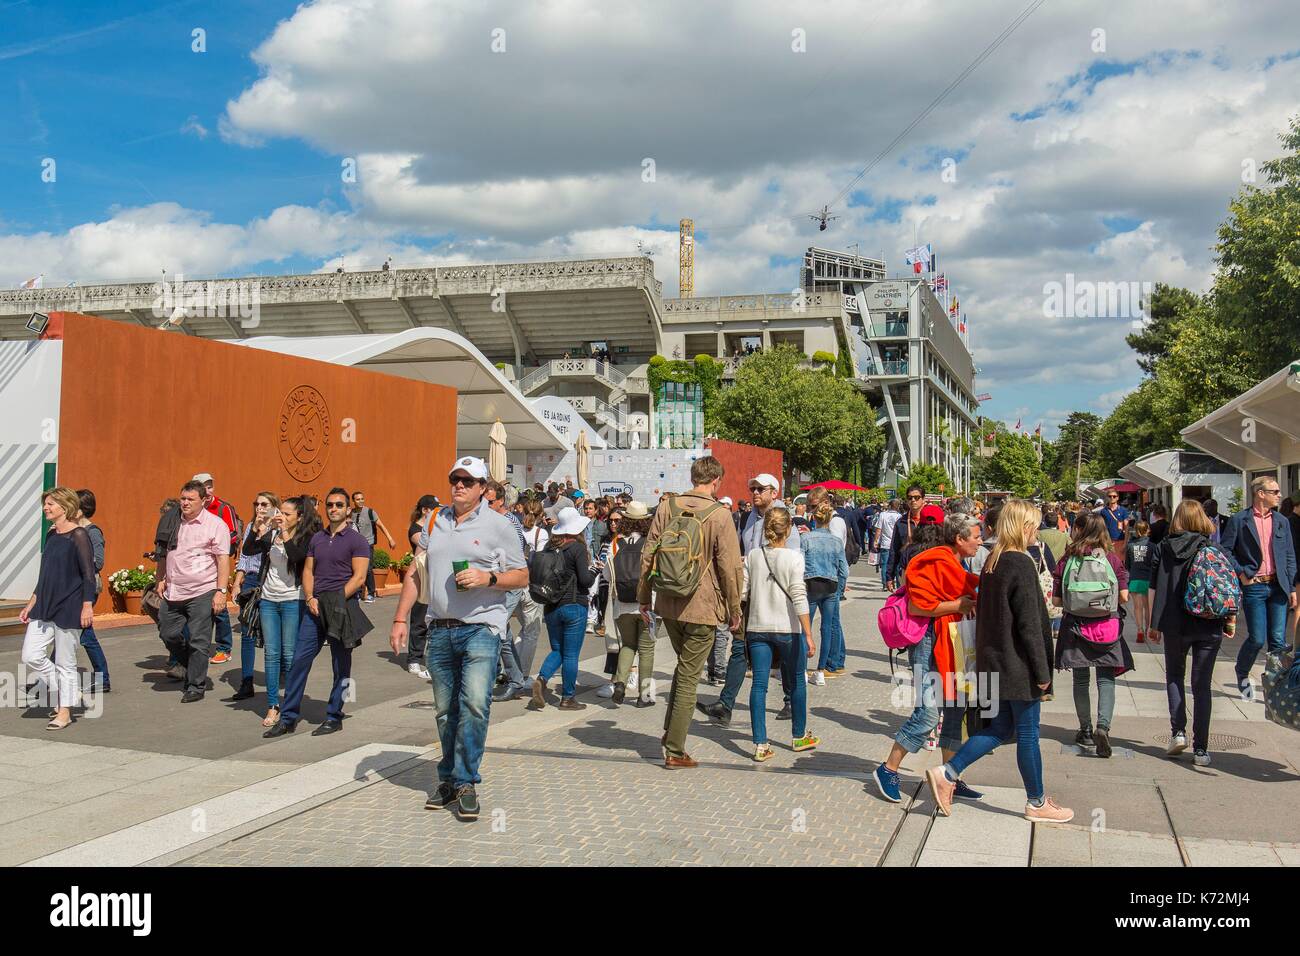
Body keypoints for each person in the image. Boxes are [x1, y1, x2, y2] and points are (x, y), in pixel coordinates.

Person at [390, 456, 528, 820]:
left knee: (474, 705)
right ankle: (449, 779)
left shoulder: (500, 525)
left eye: (468, 480)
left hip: (482, 628)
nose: (460, 485)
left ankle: (465, 780)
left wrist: (489, 580)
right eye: (455, 479)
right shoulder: (435, 520)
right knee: (445, 711)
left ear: (483, 487)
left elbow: (522, 574)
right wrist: (401, 617)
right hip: (440, 629)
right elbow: (416, 573)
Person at [925, 501, 1072, 822]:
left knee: (1002, 727)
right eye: (1032, 525)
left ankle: (947, 773)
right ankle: (1036, 801)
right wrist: (1042, 671)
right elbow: (1030, 624)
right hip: (1019, 663)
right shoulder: (1019, 562)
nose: (1036, 531)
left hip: (997, 660)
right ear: (1023, 527)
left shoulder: (993, 560)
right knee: (1028, 733)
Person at [638, 456, 743, 768]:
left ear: (693, 476)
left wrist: (644, 598)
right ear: (716, 482)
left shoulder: (667, 507)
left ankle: (671, 731)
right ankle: (674, 749)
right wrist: (734, 608)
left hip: (668, 602)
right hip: (703, 605)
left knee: (683, 668)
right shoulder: (721, 515)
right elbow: (730, 568)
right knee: (688, 675)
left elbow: (649, 554)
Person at [872, 512, 981, 804]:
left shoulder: (957, 562)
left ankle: (950, 777)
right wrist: (960, 604)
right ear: (959, 539)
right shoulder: (934, 560)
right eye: (976, 536)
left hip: (952, 639)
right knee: (929, 712)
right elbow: (920, 606)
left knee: (956, 710)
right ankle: (888, 769)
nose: (980, 541)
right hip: (928, 641)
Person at [264, 487, 371, 739]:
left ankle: (335, 715)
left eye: (339, 505)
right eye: (330, 505)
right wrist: (311, 597)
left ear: (347, 509)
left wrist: (333, 600)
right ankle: (288, 717)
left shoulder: (357, 541)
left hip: (342, 608)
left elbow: (359, 578)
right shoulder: (317, 538)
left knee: (341, 665)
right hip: (314, 608)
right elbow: (308, 571)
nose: (334, 509)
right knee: (299, 661)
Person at [699, 472, 799, 728]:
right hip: (749, 593)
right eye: (752, 488)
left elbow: (793, 560)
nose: (754, 493)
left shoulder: (784, 519)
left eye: (760, 489)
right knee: (739, 647)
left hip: (775, 596)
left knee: (783, 649)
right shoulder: (748, 517)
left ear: (774, 493)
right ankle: (725, 704)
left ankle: (790, 699)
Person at [1147, 499, 1236, 766]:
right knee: (1202, 686)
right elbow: (1226, 584)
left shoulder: (1164, 548)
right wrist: (1229, 619)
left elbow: (1157, 588)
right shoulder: (1213, 548)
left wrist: (1154, 624)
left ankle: (1178, 732)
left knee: (1174, 675)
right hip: (1208, 622)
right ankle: (1201, 749)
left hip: (1175, 624)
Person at [1053, 514, 1133, 758]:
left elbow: (1057, 600)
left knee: (1080, 680)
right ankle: (1103, 726)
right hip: (1106, 626)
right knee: (1106, 680)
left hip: (1075, 627)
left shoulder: (1067, 559)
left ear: (1078, 530)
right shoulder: (1111, 559)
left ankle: (1085, 729)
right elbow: (1124, 597)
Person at [743, 507, 819, 761]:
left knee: (759, 685)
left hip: (757, 626)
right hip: (788, 628)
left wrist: (735, 616)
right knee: (797, 680)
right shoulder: (795, 558)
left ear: (765, 530)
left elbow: (742, 592)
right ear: (788, 529)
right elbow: (799, 595)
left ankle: (760, 744)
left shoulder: (753, 556)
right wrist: (808, 633)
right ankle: (798, 736)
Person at [21, 488, 95, 730]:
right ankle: (70, 692)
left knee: (65, 662)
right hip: (44, 604)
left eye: (50, 504)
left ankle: (64, 711)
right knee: (30, 655)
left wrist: (87, 606)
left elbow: (88, 575)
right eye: (45, 504)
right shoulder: (51, 535)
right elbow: (45, 575)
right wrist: (31, 602)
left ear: (65, 506)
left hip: (70, 605)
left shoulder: (79, 535)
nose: (46, 508)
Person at [241, 495, 319, 727]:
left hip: (293, 600)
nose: (281, 517)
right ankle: (273, 704)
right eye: (280, 513)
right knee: (271, 654)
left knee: (289, 654)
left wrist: (284, 532)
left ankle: (290, 701)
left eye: (287, 514)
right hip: (268, 599)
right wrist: (258, 528)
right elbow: (248, 549)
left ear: (299, 517)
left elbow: (296, 557)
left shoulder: (307, 537)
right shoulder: (272, 533)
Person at [1221, 476, 1298, 701]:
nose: (1279, 495)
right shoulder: (1239, 520)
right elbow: (1225, 550)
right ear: (1260, 494)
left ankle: (1274, 687)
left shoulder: (1282, 521)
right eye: (1274, 491)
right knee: (1256, 638)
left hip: (1278, 586)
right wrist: (1242, 572)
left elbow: (1289, 555)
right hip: (1254, 586)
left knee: (1277, 640)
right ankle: (1242, 672)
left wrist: (1291, 586)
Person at [157, 480, 231, 703]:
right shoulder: (171, 521)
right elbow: (163, 552)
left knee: (199, 639)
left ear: (204, 500)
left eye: (190, 499)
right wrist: (160, 577)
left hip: (203, 589)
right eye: (183, 498)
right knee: (167, 633)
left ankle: (195, 686)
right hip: (174, 590)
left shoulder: (215, 525)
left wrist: (221, 591)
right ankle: (192, 665)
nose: (185, 503)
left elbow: (222, 559)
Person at [529, 506, 596, 710]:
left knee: (558, 650)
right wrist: (595, 570)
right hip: (574, 605)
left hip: (551, 606)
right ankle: (567, 698)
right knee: (570, 655)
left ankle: (541, 678)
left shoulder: (549, 547)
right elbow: (585, 580)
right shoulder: (576, 548)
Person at [485, 482, 541, 703]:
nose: (485, 505)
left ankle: (504, 678)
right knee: (502, 633)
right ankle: (514, 678)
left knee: (495, 631)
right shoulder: (491, 521)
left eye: (489, 502)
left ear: (500, 501)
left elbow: (514, 559)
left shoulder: (508, 523)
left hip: (507, 585)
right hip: (493, 585)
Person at [605, 501, 656, 705]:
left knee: (627, 645)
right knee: (647, 649)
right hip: (647, 603)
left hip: (623, 604)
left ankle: (620, 683)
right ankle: (644, 695)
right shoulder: (651, 543)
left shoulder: (616, 542)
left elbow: (608, 575)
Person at [230, 492, 278, 702]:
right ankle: (247, 681)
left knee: (272, 633)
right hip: (251, 582)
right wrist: (237, 582)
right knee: (247, 632)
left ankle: (280, 673)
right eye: (256, 503)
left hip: (272, 581)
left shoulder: (280, 527)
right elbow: (245, 558)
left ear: (274, 506)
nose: (259, 507)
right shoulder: (251, 526)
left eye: (264, 504)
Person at [192, 472, 240, 664]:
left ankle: (223, 648)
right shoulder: (192, 508)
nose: (209, 490)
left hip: (217, 564)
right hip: (197, 566)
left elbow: (234, 534)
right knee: (195, 609)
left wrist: (216, 547)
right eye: (205, 486)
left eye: (211, 485)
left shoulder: (223, 508)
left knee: (219, 608)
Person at [801, 499, 849, 684]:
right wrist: (840, 586)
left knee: (806, 628)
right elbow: (844, 569)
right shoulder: (836, 541)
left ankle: (803, 669)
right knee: (827, 629)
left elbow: (799, 564)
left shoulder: (806, 538)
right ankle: (821, 670)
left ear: (814, 518)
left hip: (811, 586)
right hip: (830, 587)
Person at [74, 489, 110, 694]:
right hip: (74, 589)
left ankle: (103, 678)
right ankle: (103, 678)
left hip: (87, 588)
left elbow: (98, 561)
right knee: (70, 633)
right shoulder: (70, 529)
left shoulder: (92, 531)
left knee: (83, 633)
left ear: (80, 510)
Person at [404, 495, 441, 680]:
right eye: (434, 508)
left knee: (433, 620)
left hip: (434, 577)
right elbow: (429, 545)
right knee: (419, 620)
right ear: (425, 510)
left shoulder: (433, 527)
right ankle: (414, 658)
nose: (437, 511)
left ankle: (432, 658)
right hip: (421, 576)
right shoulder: (415, 529)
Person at [351, 490, 397, 603]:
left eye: (362, 498)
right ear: (353, 501)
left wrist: (390, 538)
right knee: (354, 569)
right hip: (355, 545)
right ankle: (356, 592)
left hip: (368, 543)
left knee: (367, 568)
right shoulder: (350, 513)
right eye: (358, 499)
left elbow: (381, 525)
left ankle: (371, 593)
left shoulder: (370, 512)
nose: (361, 501)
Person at [887, 485, 929, 590]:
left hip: (928, 571)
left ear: (923, 499)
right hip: (906, 570)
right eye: (910, 498)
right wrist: (889, 576)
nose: (913, 500)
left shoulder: (931, 520)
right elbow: (894, 550)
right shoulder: (901, 522)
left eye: (917, 497)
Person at [1126, 520, 1153, 644]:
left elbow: (1127, 564)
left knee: (1137, 607)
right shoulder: (1152, 545)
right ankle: (1148, 630)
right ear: (1147, 529)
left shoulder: (1130, 545)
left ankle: (1140, 630)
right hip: (1148, 578)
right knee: (1147, 607)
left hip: (1135, 578)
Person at [874, 500, 902, 590]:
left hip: (885, 543)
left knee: (885, 564)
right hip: (896, 544)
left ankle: (885, 584)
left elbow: (879, 529)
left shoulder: (883, 515)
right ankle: (898, 584)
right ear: (898, 506)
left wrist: (875, 541)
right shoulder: (900, 516)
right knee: (896, 565)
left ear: (890, 506)